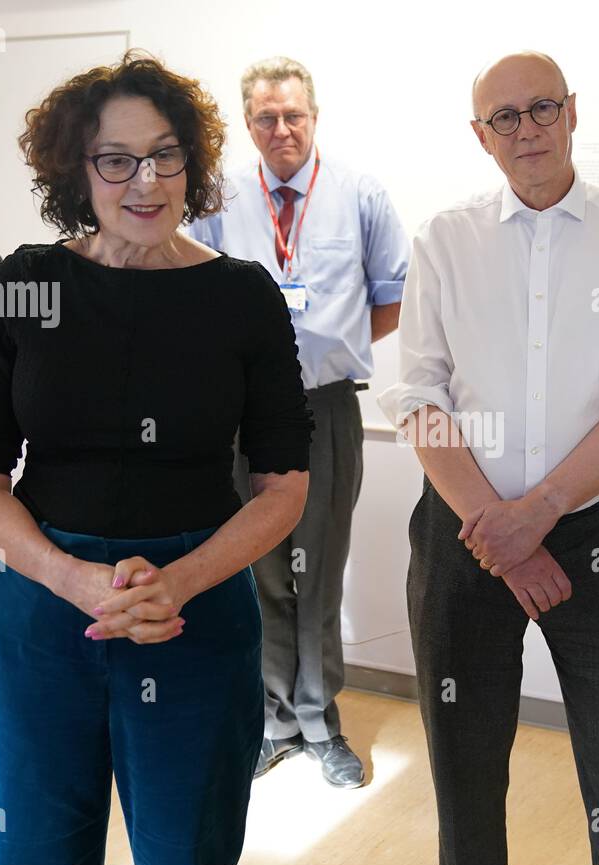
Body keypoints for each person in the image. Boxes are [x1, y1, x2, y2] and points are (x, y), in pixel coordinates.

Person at [0, 52, 313, 865]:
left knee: (188, 848)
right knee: (35, 849)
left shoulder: (243, 295)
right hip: (41, 606)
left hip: (195, 605)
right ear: (77, 172)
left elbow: (283, 486)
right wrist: (72, 578)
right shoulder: (24, 284)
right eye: (116, 159)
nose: (145, 180)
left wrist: (176, 584)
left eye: (165, 154)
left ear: (193, 161)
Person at [378, 51, 599, 865]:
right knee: (465, 773)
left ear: (573, 112)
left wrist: (539, 515)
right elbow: (419, 395)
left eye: (543, 108)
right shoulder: (446, 241)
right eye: (506, 118)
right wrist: (501, 535)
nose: (528, 130)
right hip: (462, 542)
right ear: (481, 136)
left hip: (596, 538)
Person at [188, 56, 407, 788]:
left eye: (293, 115)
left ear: (315, 117)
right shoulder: (217, 197)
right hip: (238, 411)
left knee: (317, 572)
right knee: (257, 571)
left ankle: (320, 724)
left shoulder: (361, 196)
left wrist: (332, 346)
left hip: (325, 407)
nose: (281, 129)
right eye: (265, 117)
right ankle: (271, 721)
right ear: (248, 123)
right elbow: (193, 290)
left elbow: (390, 297)